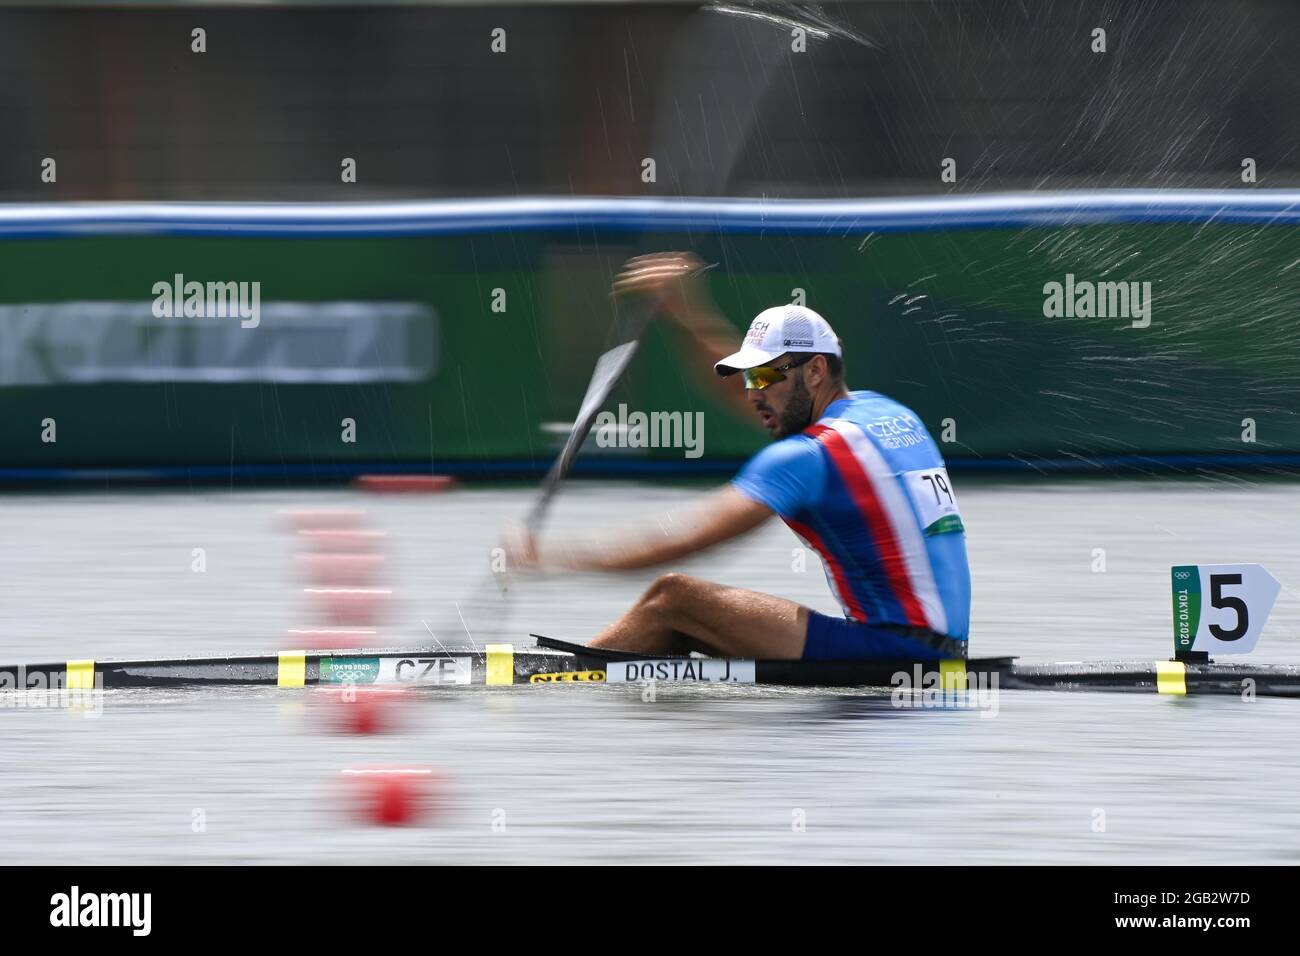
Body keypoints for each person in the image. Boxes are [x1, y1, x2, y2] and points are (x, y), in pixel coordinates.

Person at [505, 252, 971, 660]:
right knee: (682, 616)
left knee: (674, 598)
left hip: (895, 650)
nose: (752, 395)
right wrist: (683, 311)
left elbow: (687, 539)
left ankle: (558, 680)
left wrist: (551, 558)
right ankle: (605, 668)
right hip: (937, 645)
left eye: (765, 377)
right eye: (751, 379)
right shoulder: (887, 414)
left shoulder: (807, 458)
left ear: (815, 370)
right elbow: (753, 396)